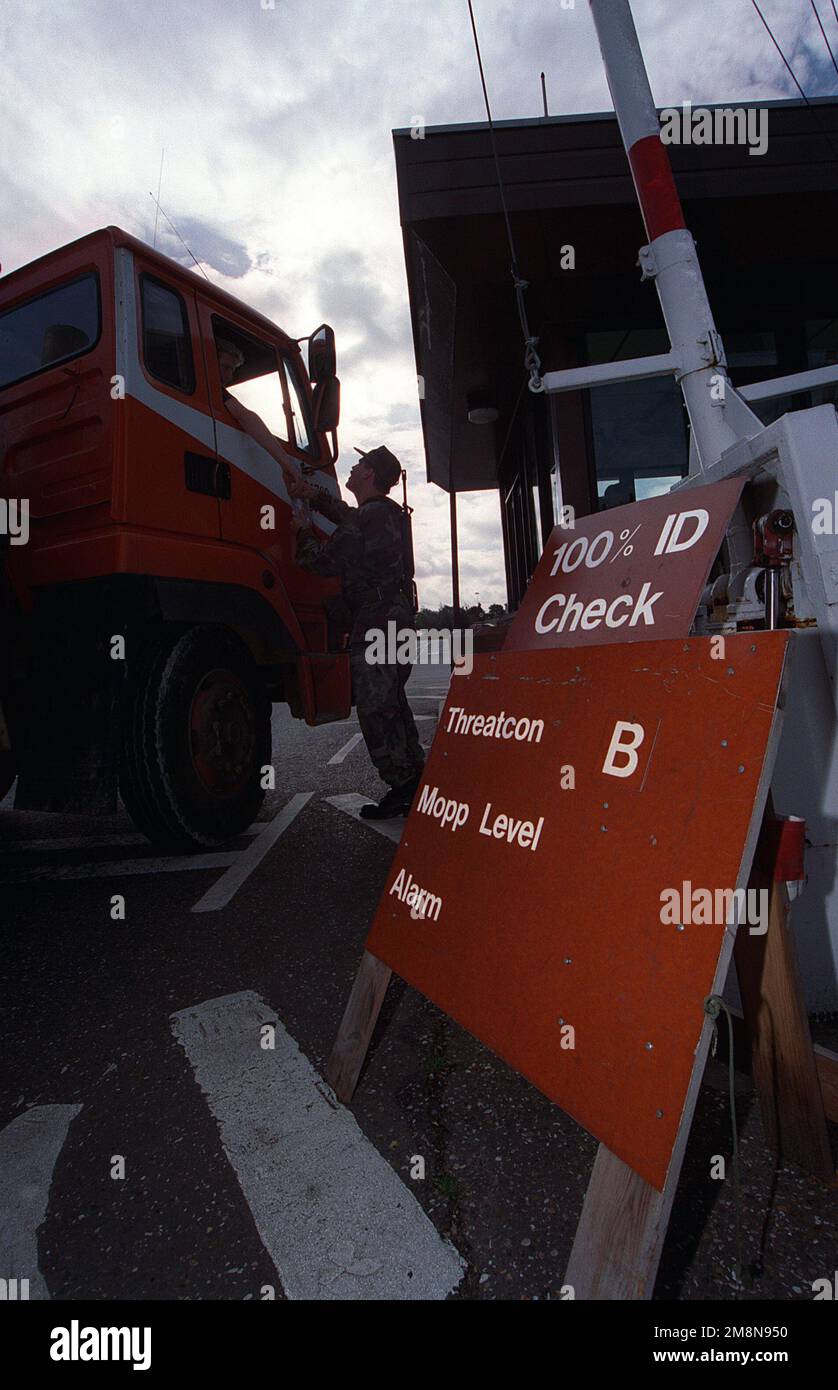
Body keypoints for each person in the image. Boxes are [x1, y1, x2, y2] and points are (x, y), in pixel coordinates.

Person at [290, 447, 425, 819]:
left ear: (369, 475)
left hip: (378, 619)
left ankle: (402, 785)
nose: (351, 466)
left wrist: (301, 531)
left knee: (375, 706)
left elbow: (320, 560)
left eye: (359, 464)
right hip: (395, 616)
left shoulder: (369, 517)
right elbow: (344, 515)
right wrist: (314, 495)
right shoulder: (384, 514)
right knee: (392, 701)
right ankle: (414, 779)